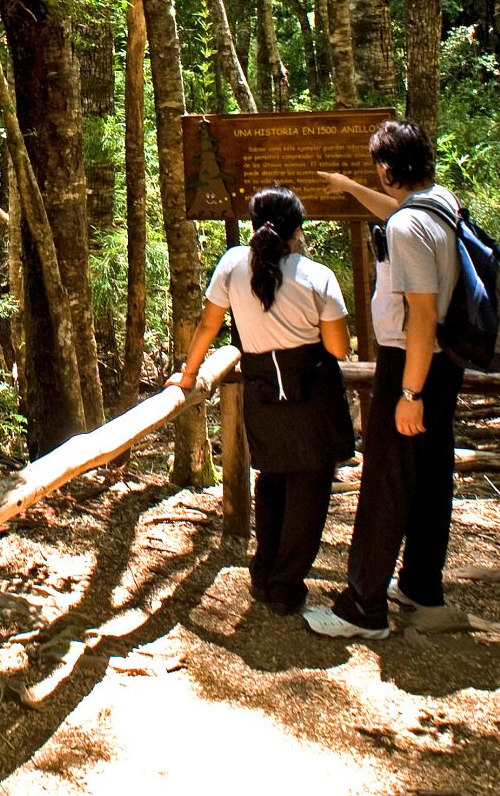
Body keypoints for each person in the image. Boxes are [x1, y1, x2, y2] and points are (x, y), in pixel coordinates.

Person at [300, 118, 465, 640]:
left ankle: (363, 606)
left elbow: (421, 313)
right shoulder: (440, 203)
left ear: (390, 168)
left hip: (411, 363)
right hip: (444, 364)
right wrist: (350, 190)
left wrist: (408, 393)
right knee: (432, 476)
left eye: (377, 169)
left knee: (385, 484)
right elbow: (398, 211)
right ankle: (420, 586)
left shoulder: (406, 230)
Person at [169, 186, 355, 613]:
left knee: (271, 481)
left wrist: (188, 375)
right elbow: (339, 348)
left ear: (254, 225)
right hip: (311, 394)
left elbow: (207, 325)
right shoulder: (317, 276)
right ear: (298, 230)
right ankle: (286, 586)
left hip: (262, 392)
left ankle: (263, 573)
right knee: (309, 489)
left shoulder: (233, 263)